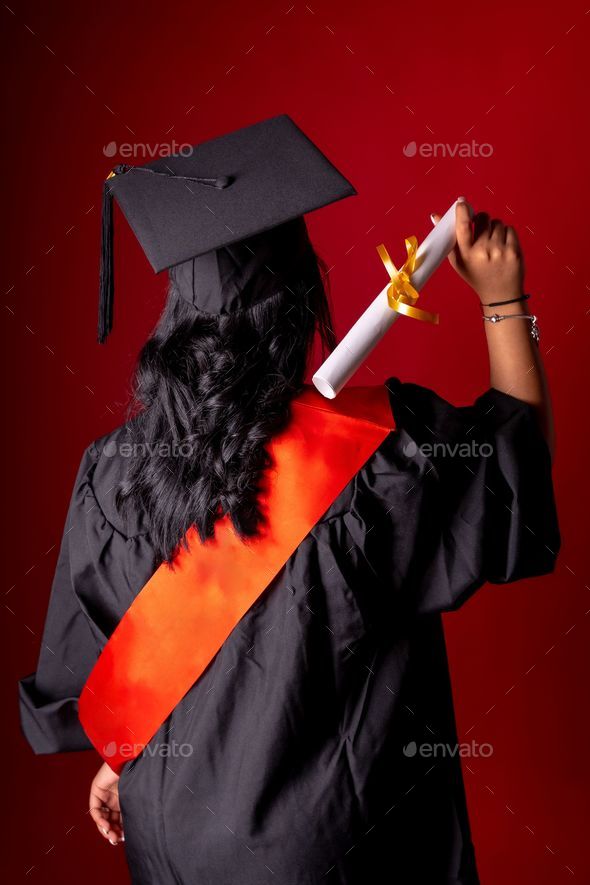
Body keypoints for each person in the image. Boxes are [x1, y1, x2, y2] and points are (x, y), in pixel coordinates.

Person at [18, 116, 559, 885]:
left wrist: (124, 757)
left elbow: (120, 654)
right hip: (337, 848)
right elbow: (519, 488)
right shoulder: (381, 452)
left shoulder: (114, 471)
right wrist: (505, 301)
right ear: (299, 302)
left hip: (170, 839)